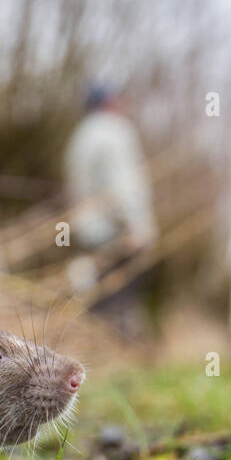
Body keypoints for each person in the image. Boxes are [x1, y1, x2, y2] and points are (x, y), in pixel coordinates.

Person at [63, 86, 158, 336]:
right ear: (109, 102)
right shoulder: (115, 132)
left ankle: (98, 346)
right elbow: (123, 184)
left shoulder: (79, 137)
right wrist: (135, 224)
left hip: (87, 228)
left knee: (98, 293)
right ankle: (122, 349)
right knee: (121, 295)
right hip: (115, 228)